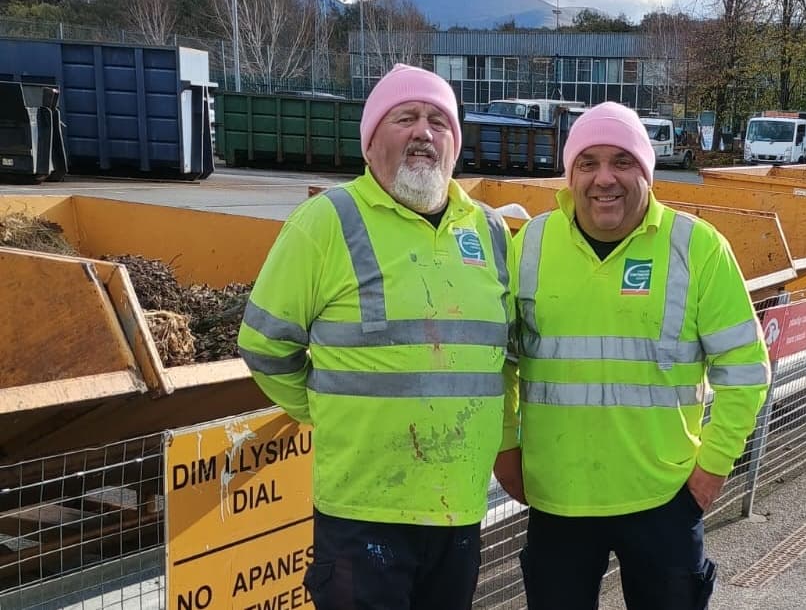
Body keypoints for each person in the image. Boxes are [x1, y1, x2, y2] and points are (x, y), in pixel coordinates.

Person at [237, 64, 519, 610]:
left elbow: (502, 357)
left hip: (459, 508)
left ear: (455, 143)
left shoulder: (487, 230)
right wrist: (326, 406)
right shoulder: (325, 222)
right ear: (370, 142)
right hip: (362, 513)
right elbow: (265, 345)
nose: (424, 132)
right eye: (405, 118)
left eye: (439, 121)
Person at [494, 101, 770, 610]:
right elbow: (501, 364)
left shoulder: (697, 247)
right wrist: (504, 447)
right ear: (570, 175)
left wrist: (712, 469)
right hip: (558, 497)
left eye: (622, 161)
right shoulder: (530, 244)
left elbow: (746, 370)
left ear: (647, 171)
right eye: (588, 163)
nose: (605, 179)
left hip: (665, 497)